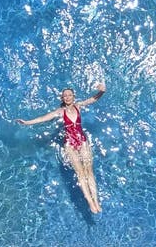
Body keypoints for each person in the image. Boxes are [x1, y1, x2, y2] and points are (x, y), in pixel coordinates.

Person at [17, 81, 106, 213]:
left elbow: (92, 99)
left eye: (70, 95)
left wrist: (102, 91)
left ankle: (96, 201)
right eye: (65, 96)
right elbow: (42, 118)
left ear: (73, 96)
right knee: (80, 173)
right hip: (69, 143)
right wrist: (27, 122)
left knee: (89, 171)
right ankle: (90, 202)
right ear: (62, 99)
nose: (68, 97)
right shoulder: (60, 111)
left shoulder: (78, 106)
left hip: (82, 141)